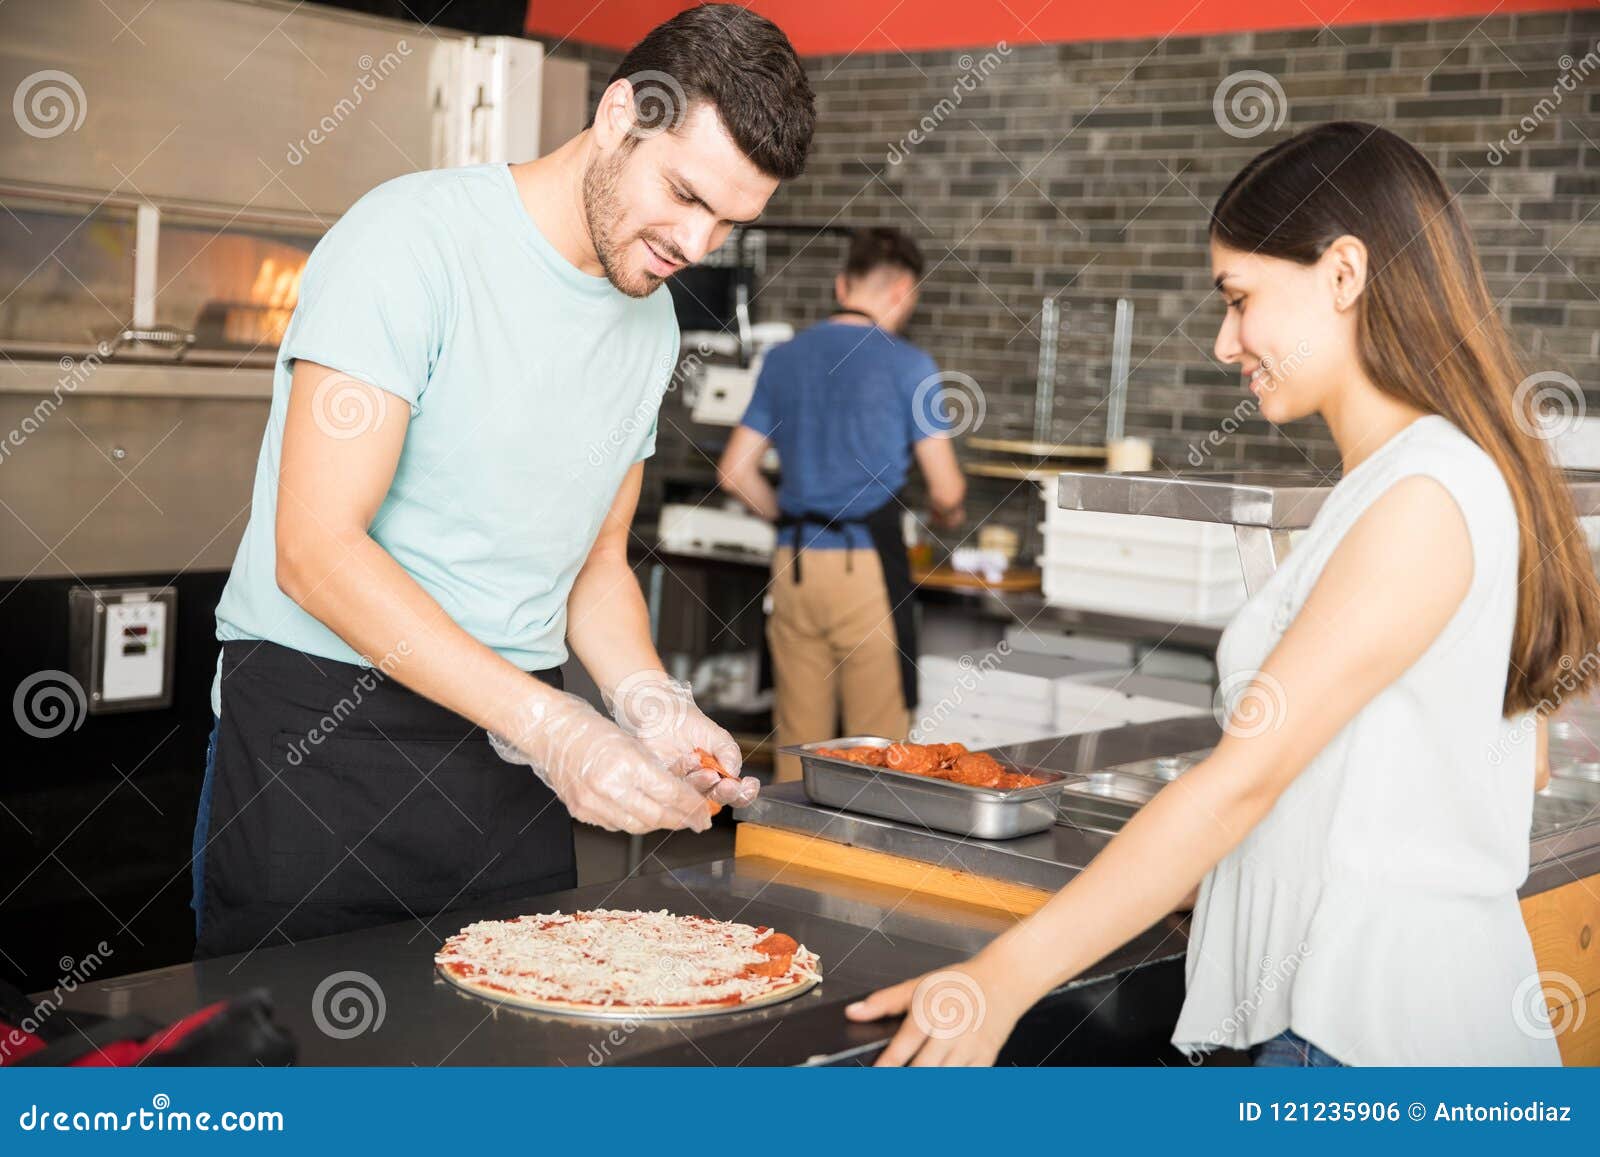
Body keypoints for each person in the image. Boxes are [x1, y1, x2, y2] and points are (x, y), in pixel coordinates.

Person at [846, 122, 1600, 1066]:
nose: (1223, 341)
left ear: (1344, 273)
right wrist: (1254, 877)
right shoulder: (1431, 475)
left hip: (1360, 1042)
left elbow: (1241, 783)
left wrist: (998, 979)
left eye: (1240, 300)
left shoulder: (1423, 494)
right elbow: (1493, 765)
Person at [190, 6, 816, 957]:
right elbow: (316, 551)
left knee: (518, 1030)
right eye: (685, 194)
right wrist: (553, 726)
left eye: (730, 221)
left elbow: (595, 561)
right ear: (619, 115)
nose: (698, 243)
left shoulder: (651, 323)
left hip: (509, 763)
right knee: (290, 1042)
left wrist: (650, 700)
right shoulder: (410, 240)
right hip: (326, 734)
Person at [717, 227, 966, 781]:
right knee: (880, 760)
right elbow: (946, 489)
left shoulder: (783, 359)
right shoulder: (910, 365)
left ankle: (780, 840)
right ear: (902, 291)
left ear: (842, 285)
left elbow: (733, 472)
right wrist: (948, 516)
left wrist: (787, 516)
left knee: (797, 749)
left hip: (793, 566)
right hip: (865, 571)